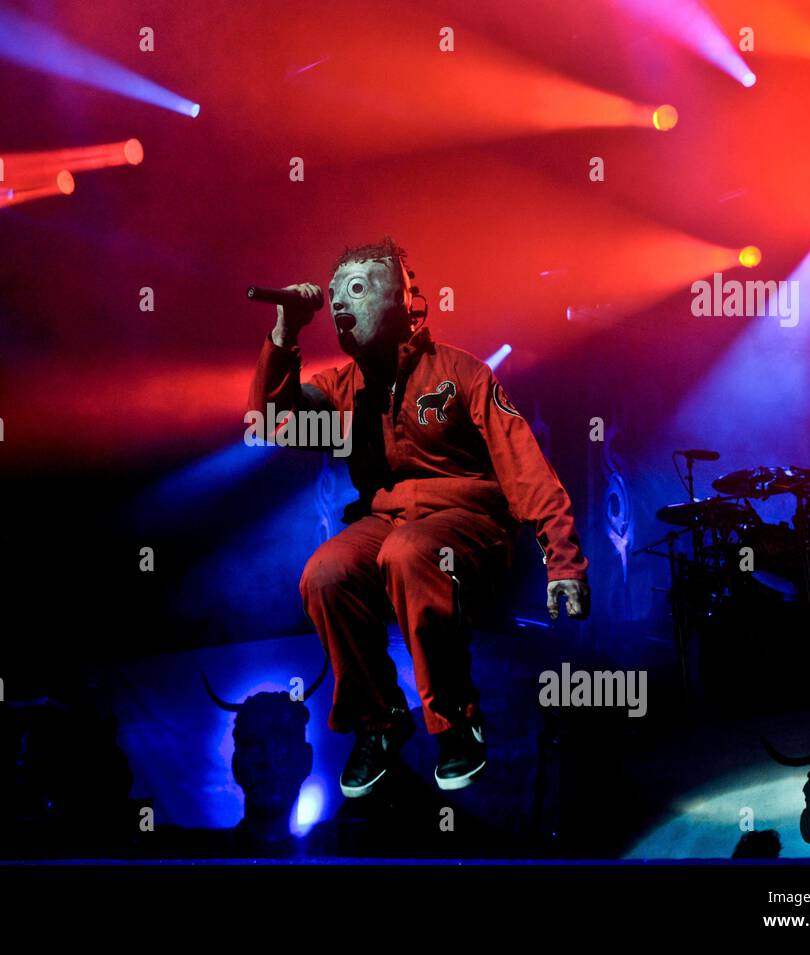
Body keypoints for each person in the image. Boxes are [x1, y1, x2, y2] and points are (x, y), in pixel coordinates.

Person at [248, 237, 589, 797]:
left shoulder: (462, 374)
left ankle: (456, 721)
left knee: (407, 553)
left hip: (470, 524)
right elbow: (270, 422)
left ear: (408, 302)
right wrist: (286, 331)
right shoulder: (342, 390)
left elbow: (524, 465)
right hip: (387, 524)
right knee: (324, 573)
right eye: (333, 296)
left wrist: (564, 561)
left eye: (357, 290)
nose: (339, 304)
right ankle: (379, 721)